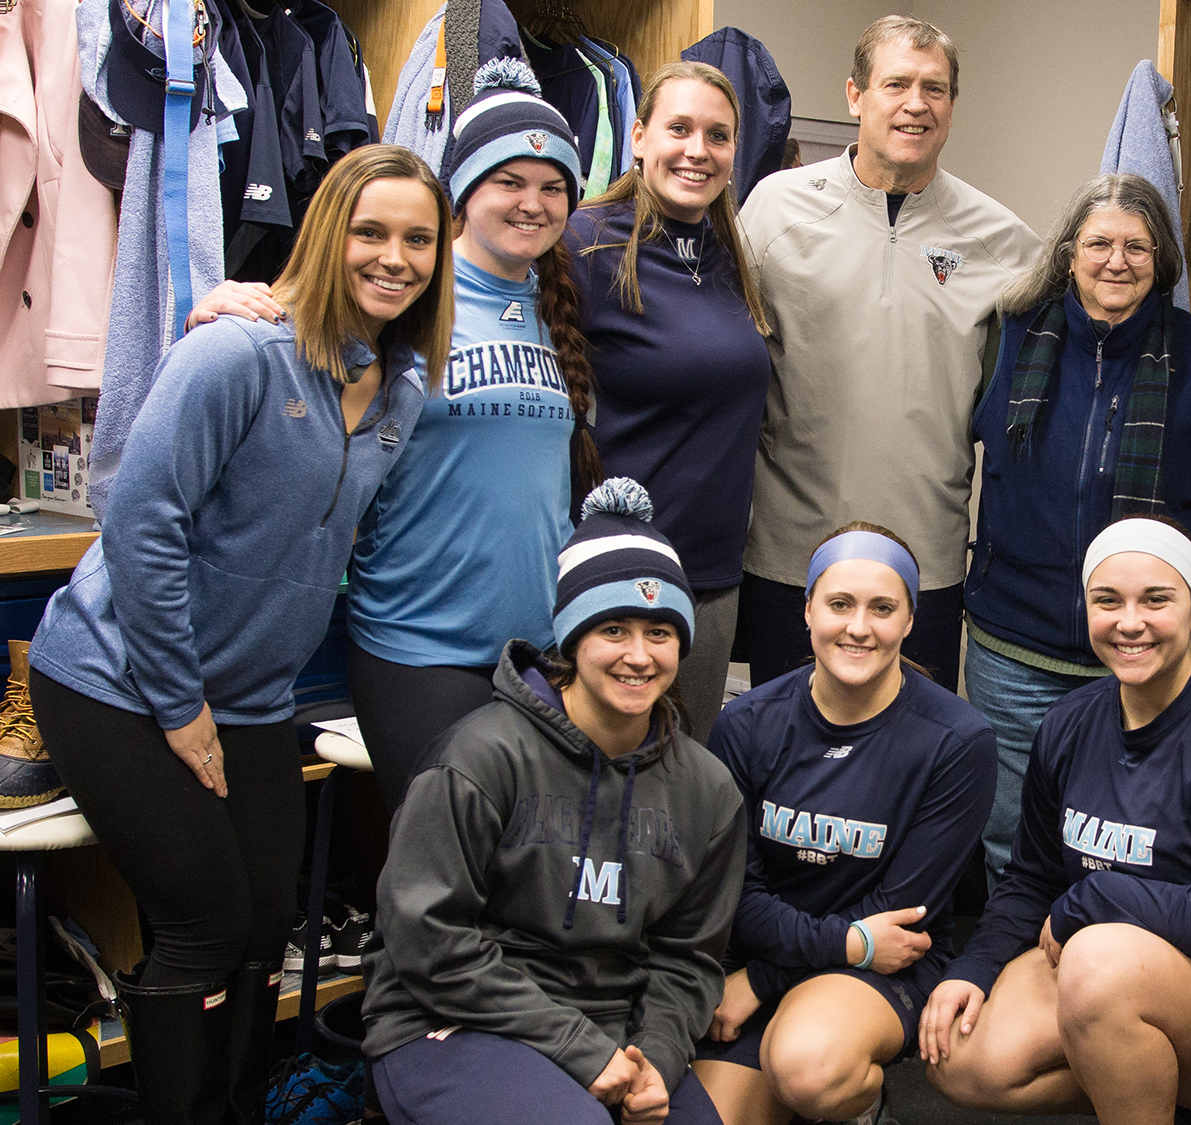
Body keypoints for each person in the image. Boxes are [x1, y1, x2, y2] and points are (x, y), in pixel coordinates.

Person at [28, 144, 450, 1125]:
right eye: (371, 232)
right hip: (119, 682)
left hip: (254, 695)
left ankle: (237, 1108)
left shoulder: (400, 392)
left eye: (417, 239)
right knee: (205, 921)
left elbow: (364, 532)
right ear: (325, 237)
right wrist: (179, 708)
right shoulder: (237, 352)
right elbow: (137, 517)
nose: (394, 256)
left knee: (267, 922)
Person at [186, 61, 597, 808]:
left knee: (518, 874)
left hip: (537, 649)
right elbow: (297, 335)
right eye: (509, 180)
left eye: (554, 186)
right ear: (463, 190)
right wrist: (225, 303)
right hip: (418, 646)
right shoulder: (407, 292)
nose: (533, 204)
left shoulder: (562, 300)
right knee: (445, 872)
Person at [363, 478, 748, 1125]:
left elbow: (688, 959)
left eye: (660, 631)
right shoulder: (481, 757)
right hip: (449, 1016)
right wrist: (578, 1048)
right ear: (570, 636)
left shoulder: (706, 790)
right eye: (614, 628)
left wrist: (655, 1058)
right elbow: (426, 937)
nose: (638, 653)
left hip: (611, 1027)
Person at [922, 517, 1191, 1125]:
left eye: (1157, 599)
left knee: (1095, 957)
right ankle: (1134, 1075)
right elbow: (1032, 878)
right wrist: (971, 968)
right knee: (957, 1056)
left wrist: (1093, 899)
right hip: (1112, 976)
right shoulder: (1071, 722)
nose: (1130, 622)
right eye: (1108, 601)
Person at [736, 14, 1040, 690]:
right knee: (786, 762)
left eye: (934, 89)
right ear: (855, 95)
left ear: (953, 107)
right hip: (792, 559)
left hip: (924, 567)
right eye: (896, 83)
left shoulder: (1004, 240)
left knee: (912, 775)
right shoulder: (773, 211)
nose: (915, 104)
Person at [963, 173, 1191, 880]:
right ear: (1069, 253)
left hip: (1146, 653)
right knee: (1010, 839)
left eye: (1137, 246)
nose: (1117, 260)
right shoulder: (1008, 336)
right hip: (1014, 643)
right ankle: (1012, 975)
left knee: (1130, 845)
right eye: (1099, 242)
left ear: (1162, 260)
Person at [694, 523, 996, 1125]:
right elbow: (735, 897)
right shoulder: (746, 725)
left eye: (883, 608)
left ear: (910, 621)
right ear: (807, 610)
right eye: (839, 604)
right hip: (773, 954)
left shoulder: (958, 742)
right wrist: (780, 964)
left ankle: (858, 1105)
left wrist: (765, 977)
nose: (859, 627)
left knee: (810, 1069)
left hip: (881, 969)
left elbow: (900, 915)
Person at [566, 60, 775, 742]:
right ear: (637, 136)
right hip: (616, 571)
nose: (697, 150)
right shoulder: (586, 243)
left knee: (676, 792)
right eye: (679, 128)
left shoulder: (730, 252)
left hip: (711, 581)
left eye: (718, 135)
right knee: (592, 788)